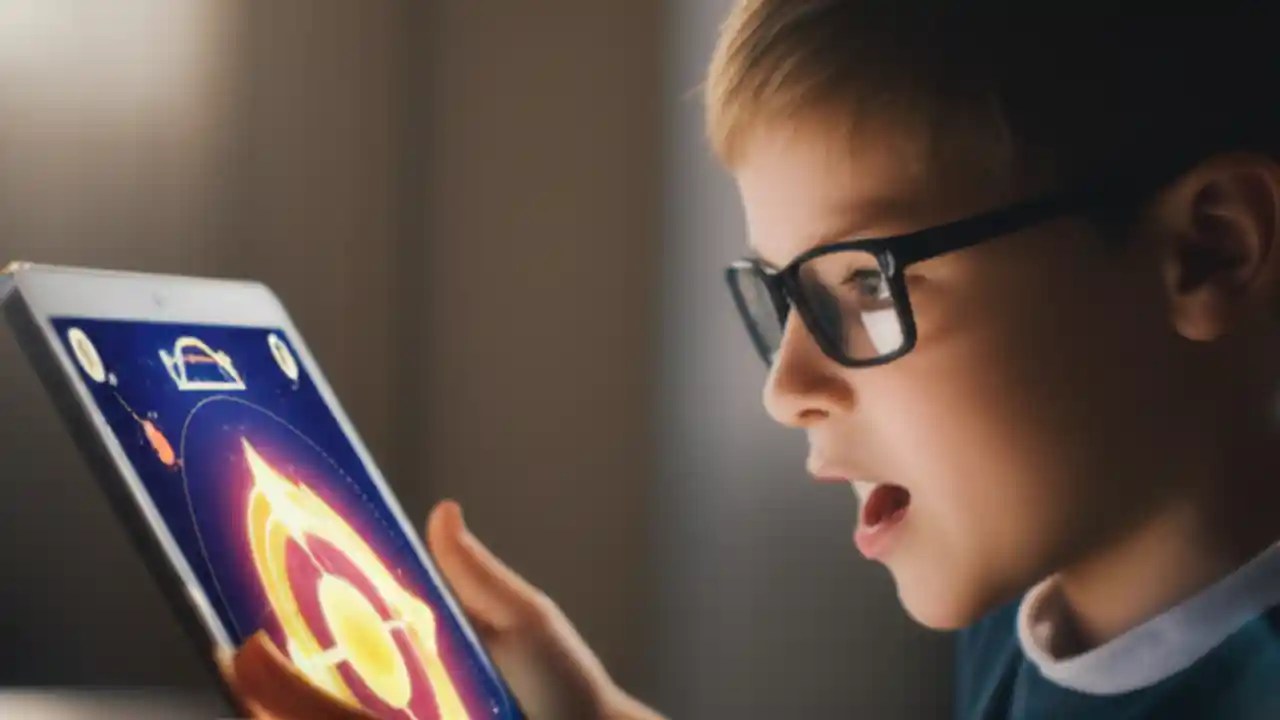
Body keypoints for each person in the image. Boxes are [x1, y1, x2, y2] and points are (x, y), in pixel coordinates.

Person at [225, 2, 1280, 718]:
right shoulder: (1029, 616)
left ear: (1206, 252)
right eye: (781, 295)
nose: (785, 389)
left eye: (864, 284)